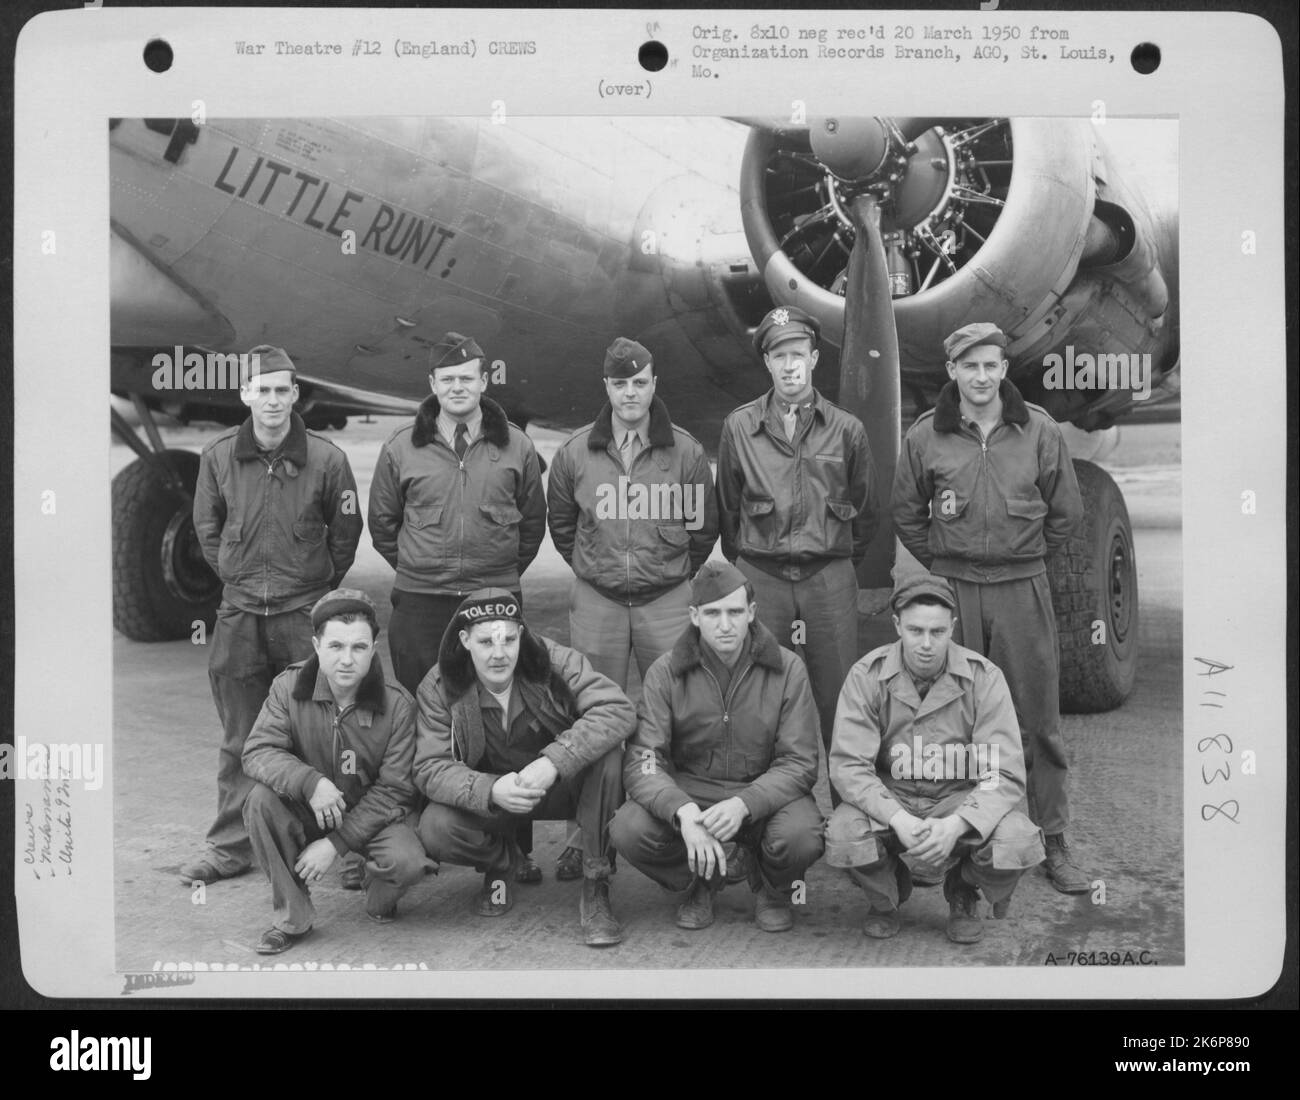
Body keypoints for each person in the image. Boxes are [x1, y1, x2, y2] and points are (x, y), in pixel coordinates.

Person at [891, 322, 1089, 894]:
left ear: (1005, 369)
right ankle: (959, 839)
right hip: (953, 591)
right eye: (969, 365)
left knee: (1036, 719)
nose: (981, 376)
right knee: (952, 717)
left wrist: (1019, 558)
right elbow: (907, 513)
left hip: (1022, 588)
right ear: (951, 371)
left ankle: (1052, 838)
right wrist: (949, 559)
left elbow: (1066, 514)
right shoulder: (927, 436)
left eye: (991, 365)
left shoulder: (1039, 431)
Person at [368, 331, 547, 878]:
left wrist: (495, 576)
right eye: (447, 380)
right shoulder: (402, 446)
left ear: (484, 380)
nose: (457, 388)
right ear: (432, 386)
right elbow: (383, 525)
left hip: (494, 599)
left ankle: (512, 850)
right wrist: (426, 568)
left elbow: (533, 524)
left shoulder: (515, 444)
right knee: (424, 720)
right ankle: (423, 836)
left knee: (505, 721)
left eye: (467, 378)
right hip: (422, 603)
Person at [183, 346, 363, 886]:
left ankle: (344, 844)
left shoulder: (328, 460)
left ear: (295, 396)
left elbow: (346, 531)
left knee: (328, 731)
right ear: (245, 395)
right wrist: (238, 577)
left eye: (283, 390)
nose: (273, 400)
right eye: (262, 390)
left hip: (303, 614)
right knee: (241, 735)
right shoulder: (217, 457)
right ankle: (231, 847)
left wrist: (314, 584)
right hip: (238, 616)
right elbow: (206, 527)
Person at [546, 336, 719, 881]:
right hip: (597, 599)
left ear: (653, 384)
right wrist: (595, 567)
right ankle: (583, 832)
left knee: (678, 712)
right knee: (589, 716)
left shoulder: (686, 451)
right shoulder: (576, 452)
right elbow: (560, 524)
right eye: (620, 384)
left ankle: (678, 818)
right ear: (607, 388)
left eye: (639, 383)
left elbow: (703, 527)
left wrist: (670, 574)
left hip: (666, 599)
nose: (630, 394)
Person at [826, 574, 1045, 943]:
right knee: (844, 835)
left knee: (1019, 841)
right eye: (915, 630)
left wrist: (958, 824)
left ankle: (963, 888)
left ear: (952, 628)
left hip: (956, 798)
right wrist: (896, 818)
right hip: (891, 795)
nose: (926, 644)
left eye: (937, 632)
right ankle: (887, 893)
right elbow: (849, 765)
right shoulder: (868, 675)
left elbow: (1001, 774)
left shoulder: (984, 678)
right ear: (896, 625)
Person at [610, 561, 825, 933]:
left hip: (762, 792)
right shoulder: (665, 672)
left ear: (751, 613)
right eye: (712, 613)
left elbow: (800, 762)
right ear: (694, 616)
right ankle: (700, 880)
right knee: (628, 828)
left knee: (802, 835)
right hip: (694, 791)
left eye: (735, 612)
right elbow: (644, 761)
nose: (725, 625)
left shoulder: (788, 669)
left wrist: (746, 803)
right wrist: (683, 812)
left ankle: (772, 887)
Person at [716, 306, 878, 796]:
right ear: (766, 362)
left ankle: (853, 813)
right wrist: (750, 561)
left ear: (813, 360)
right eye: (779, 355)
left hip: (827, 577)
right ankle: (775, 816)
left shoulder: (846, 429)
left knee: (840, 702)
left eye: (798, 355)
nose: (789, 366)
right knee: (762, 699)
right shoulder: (739, 427)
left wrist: (835, 558)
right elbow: (727, 508)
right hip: (762, 577)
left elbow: (866, 511)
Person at [413, 590, 635, 947]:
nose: (499, 654)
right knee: (436, 828)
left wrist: (554, 761)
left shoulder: (554, 661)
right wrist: (490, 789)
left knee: (609, 755)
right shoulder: (441, 684)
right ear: (465, 640)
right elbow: (429, 767)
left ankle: (596, 883)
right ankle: (503, 862)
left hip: (560, 785)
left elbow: (617, 710)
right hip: (496, 798)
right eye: (485, 642)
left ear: (522, 634)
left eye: (509, 640)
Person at [241, 589, 432, 954]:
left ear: (374, 647)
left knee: (406, 863)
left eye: (359, 647)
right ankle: (292, 917)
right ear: (316, 645)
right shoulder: (287, 687)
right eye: (335, 647)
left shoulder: (398, 705)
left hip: (372, 816)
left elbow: (395, 790)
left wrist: (334, 845)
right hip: (312, 806)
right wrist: (310, 783)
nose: (347, 659)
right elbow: (257, 751)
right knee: (259, 802)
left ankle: (371, 885)